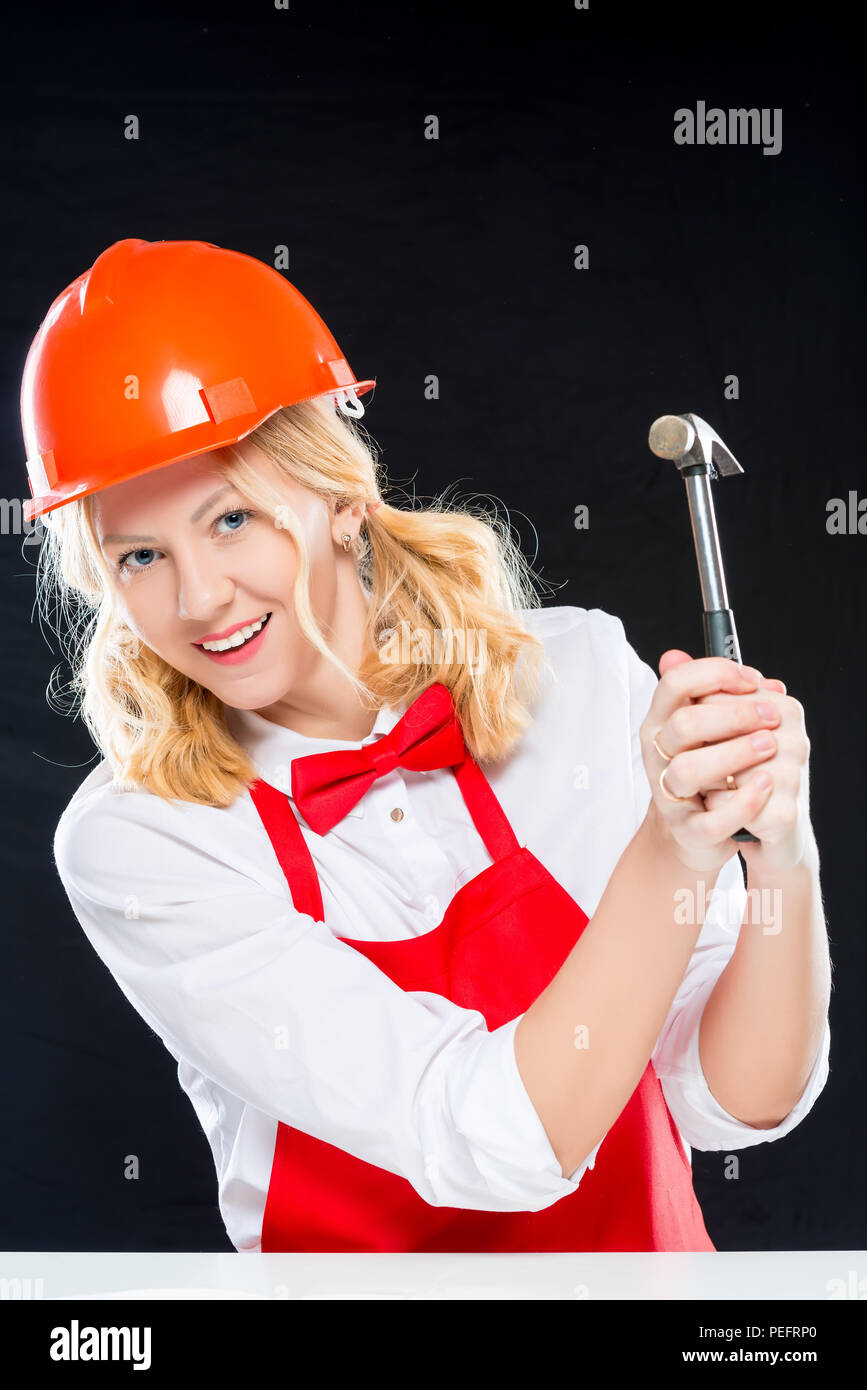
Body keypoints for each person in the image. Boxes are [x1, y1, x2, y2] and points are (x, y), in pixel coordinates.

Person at [21, 237, 831, 1253]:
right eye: (139, 555)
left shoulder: (577, 677)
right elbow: (488, 1141)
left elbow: (735, 1099)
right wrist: (668, 851)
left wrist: (779, 854)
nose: (197, 599)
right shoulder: (143, 840)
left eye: (232, 518)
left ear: (345, 502)